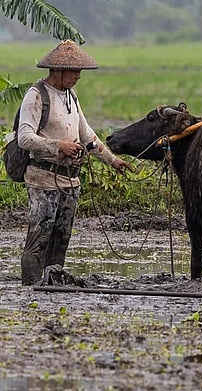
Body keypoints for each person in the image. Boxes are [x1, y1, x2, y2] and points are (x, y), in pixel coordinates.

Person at [16, 39, 132, 285]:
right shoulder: (37, 96)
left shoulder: (71, 96)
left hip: (70, 181)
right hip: (43, 180)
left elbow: (87, 136)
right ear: (58, 70)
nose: (78, 76)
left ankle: (53, 284)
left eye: (80, 71)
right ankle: (31, 288)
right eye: (75, 71)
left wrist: (112, 160)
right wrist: (59, 146)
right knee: (39, 237)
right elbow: (24, 138)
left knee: (61, 237)